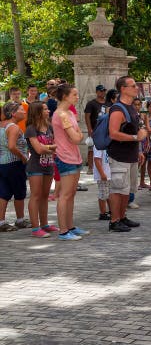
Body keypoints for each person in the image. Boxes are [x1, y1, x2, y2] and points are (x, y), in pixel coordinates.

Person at [106, 76, 147, 233]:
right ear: (123, 89)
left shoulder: (130, 107)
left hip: (130, 154)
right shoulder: (118, 109)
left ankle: (122, 216)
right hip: (119, 155)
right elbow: (113, 133)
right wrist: (136, 138)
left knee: (127, 189)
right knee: (118, 189)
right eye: (133, 86)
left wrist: (138, 150)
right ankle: (114, 220)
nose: (136, 88)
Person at [52, 83, 89, 240]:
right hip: (65, 156)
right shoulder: (61, 114)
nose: (77, 97)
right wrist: (78, 134)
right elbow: (76, 137)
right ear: (65, 96)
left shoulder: (70, 113)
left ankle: (70, 226)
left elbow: (78, 135)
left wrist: (78, 134)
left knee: (71, 194)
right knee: (65, 195)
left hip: (73, 156)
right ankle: (63, 230)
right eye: (74, 94)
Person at [24, 102, 59, 237]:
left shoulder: (49, 126)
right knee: (36, 196)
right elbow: (38, 149)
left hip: (49, 165)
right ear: (38, 112)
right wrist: (50, 147)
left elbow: (56, 144)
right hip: (35, 166)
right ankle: (35, 228)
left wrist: (47, 147)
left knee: (45, 196)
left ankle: (44, 224)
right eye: (45, 109)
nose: (48, 111)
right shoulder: (31, 129)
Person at [0, 102, 30, 232]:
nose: (24, 111)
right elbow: (12, 146)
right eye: (21, 110)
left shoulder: (2, 126)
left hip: (3, 163)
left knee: (4, 192)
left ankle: (1, 221)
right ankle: (20, 220)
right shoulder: (13, 128)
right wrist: (23, 158)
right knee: (19, 191)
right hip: (14, 163)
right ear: (13, 113)